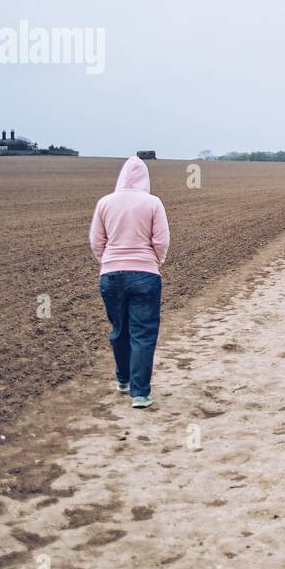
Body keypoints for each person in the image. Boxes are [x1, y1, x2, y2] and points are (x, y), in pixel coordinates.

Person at [88, 155, 170, 408]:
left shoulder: (105, 203)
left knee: (119, 329)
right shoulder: (153, 202)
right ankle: (140, 393)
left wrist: (108, 261)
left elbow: (96, 240)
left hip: (111, 275)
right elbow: (161, 240)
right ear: (145, 178)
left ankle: (123, 379)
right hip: (145, 275)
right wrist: (154, 261)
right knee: (143, 333)